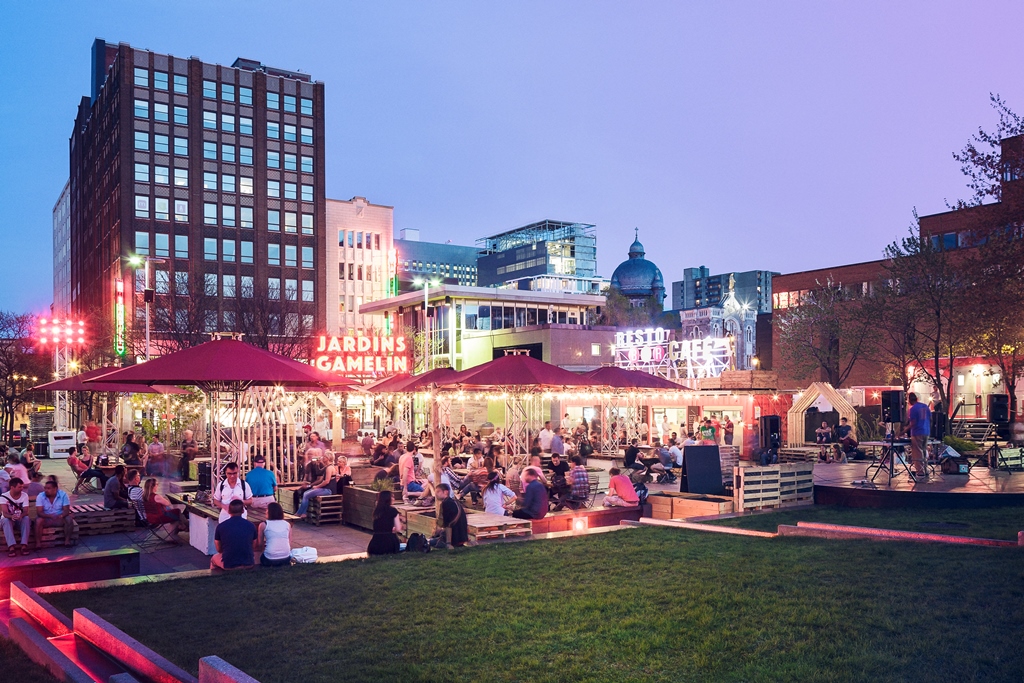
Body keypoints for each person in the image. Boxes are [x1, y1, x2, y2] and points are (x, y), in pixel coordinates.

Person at [211, 500, 257, 570]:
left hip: (229, 564)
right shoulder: (251, 525)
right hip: (249, 563)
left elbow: (219, 549)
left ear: (229, 511)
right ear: (243, 511)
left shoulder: (221, 526)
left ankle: (214, 577)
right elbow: (254, 545)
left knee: (214, 559)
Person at [34, 477, 75, 549]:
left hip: (59, 518)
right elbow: (39, 512)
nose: (46, 490)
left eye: (48, 488)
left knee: (69, 519)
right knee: (38, 520)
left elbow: (66, 510)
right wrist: (49, 516)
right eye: (45, 488)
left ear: (55, 489)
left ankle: (67, 541)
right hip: (46, 518)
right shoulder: (40, 496)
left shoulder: (63, 495)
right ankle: (38, 544)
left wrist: (61, 515)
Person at [141, 477, 184, 543]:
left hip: (150, 517)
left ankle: (181, 527)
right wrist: (163, 498)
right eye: (157, 484)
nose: (157, 486)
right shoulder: (156, 497)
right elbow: (168, 503)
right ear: (153, 486)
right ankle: (185, 527)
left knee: (175, 517)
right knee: (177, 512)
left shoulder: (144, 497)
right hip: (159, 517)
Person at [296, 451, 338, 518]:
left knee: (306, 494)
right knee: (306, 493)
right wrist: (317, 464)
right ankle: (302, 513)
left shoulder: (330, 468)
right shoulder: (327, 467)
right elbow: (319, 472)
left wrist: (317, 487)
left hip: (328, 490)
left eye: (324, 457)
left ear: (328, 458)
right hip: (325, 488)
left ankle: (301, 513)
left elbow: (327, 481)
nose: (323, 458)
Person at [367, 490, 402, 555]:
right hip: (389, 543)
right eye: (392, 497)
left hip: (375, 543)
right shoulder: (393, 510)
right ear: (388, 499)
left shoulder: (376, 511)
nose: (394, 499)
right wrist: (394, 529)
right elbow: (398, 529)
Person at [2, 478, 32, 556]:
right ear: (12, 487)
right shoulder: (4, 497)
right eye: (19, 487)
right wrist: (12, 516)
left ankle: (24, 545)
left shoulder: (24, 495)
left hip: (19, 519)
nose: (22, 489)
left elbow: (26, 511)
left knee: (26, 519)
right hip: (9, 519)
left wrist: (21, 516)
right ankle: (11, 547)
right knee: (6, 520)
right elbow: (5, 513)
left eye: (22, 486)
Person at [904, 393, 931, 477]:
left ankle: (920, 471)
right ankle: (925, 469)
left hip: (917, 432)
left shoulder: (913, 409)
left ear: (910, 400)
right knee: (924, 450)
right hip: (926, 431)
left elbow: (913, 423)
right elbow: (931, 418)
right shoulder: (925, 406)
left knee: (917, 452)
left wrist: (903, 431)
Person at [258, 502, 293, 566]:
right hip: (286, 557)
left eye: (267, 510)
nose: (265, 511)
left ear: (269, 512)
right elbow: (289, 542)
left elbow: (260, 544)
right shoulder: (287, 524)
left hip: (269, 559)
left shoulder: (263, 525)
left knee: (260, 557)